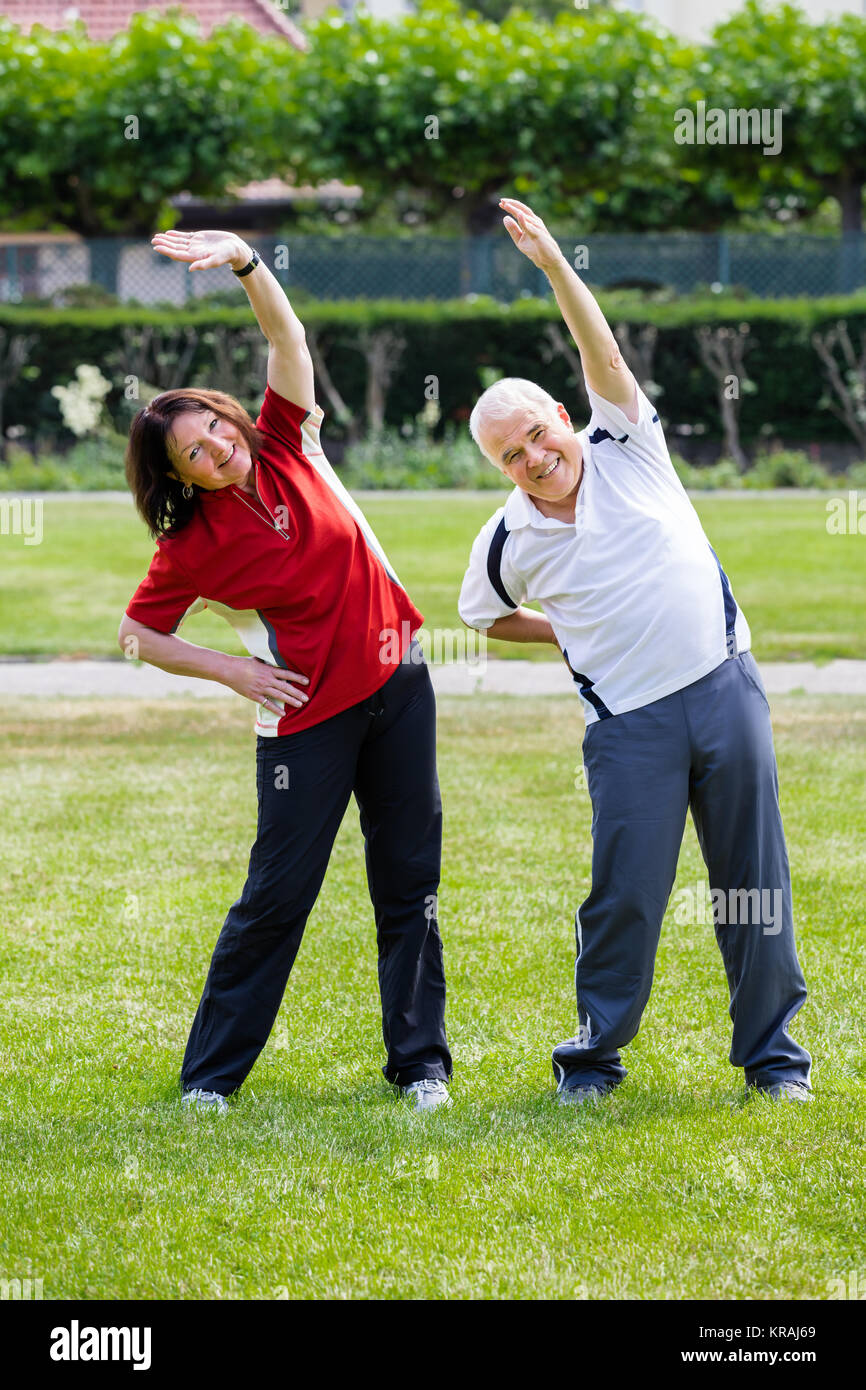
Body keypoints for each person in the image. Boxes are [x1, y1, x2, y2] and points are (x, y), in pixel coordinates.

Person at [458, 198, 812, 1106]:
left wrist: (550, 266)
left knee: (753, 885)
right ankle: (594, 1060)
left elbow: (602, 352)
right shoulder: (507, 541)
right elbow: (485, 620)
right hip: (629, 727)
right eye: (512, 453)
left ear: (564, 418)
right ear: (498, 469)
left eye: (539, 432)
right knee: (625, 896)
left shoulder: (625, 444)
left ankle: (774, 1062)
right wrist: (569, 637)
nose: (535, 456)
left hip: (724, 688)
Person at [119, 228, 452, 1114]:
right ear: (178, 474)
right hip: (306, 720)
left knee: (409, 882)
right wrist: (233, 672)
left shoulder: (286, 441)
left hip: (398, 685)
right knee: (276, 896)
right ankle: (210, 1080)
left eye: (214, 432)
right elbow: (138, 635)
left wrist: (243, 261)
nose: (217, 451)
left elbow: (287, 341)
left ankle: (421, 1066)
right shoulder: (188, 545)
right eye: (193, 453)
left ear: (231, 420)